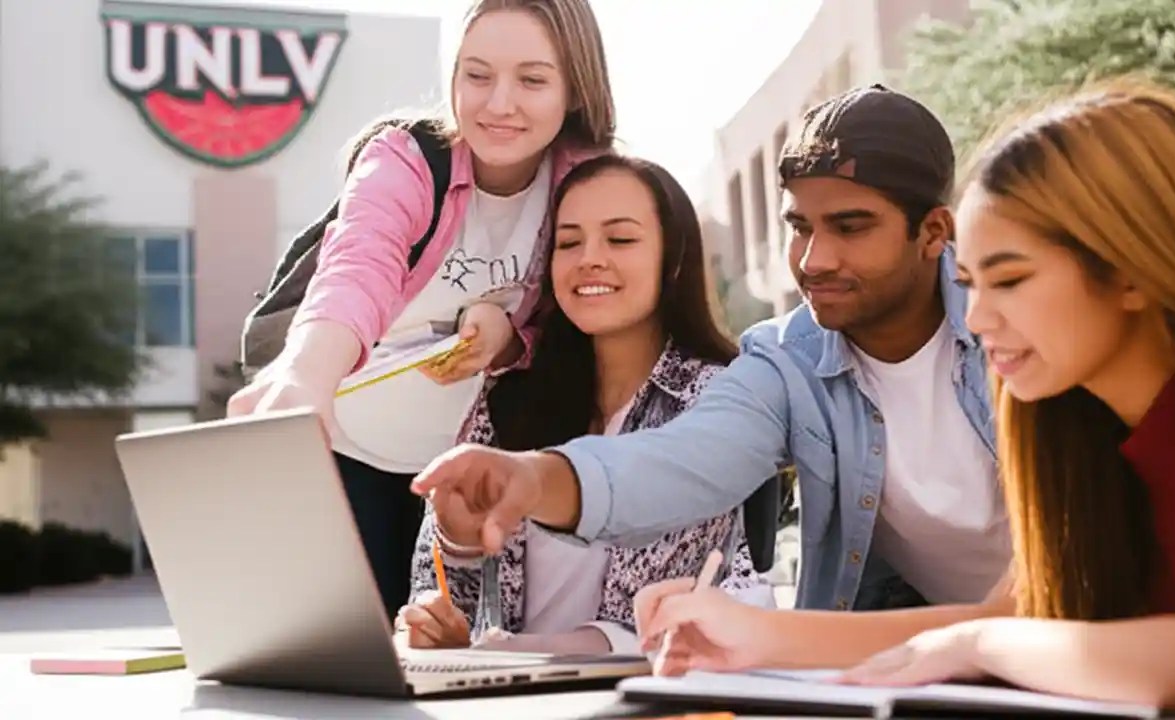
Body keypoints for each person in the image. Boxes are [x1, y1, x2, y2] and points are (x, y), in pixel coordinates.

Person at [411, 84, 1015, 668]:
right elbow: (679, 462)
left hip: (1067, 632)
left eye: (850, 227)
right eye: (800, 226)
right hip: (940, 664)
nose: (813, 259)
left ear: (934, 233)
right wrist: (529, 477)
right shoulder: (787, 361)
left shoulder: (1009, 330)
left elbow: (1065, 578)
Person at [826, 82, 1175, 719]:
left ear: (1129, 267)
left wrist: (980, 644)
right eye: (968, 284)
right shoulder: (1074, 420)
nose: (977, 318)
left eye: (1009, 279)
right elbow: (1004, 621)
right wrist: (743, 636)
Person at [226, 0, 617, 622]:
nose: (499, 104)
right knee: (346, 654)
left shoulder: (591, 180)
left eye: (533, 79)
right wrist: (304, 374)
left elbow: (591, 317)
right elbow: (358, 265)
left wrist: (510, 339)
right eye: (477, 74)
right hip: (348, 453)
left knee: (458, 656)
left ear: (575, 88)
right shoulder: (406, 159)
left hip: (476, 474)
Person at [397, 155, 773, 655]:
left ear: (674, 258)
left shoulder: (715, 401)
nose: (589, 258)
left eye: (620, 239)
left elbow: (657, 624)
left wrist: (504, 653)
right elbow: (445, 602)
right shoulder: (507, 396)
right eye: (569, 242)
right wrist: (452, 577)